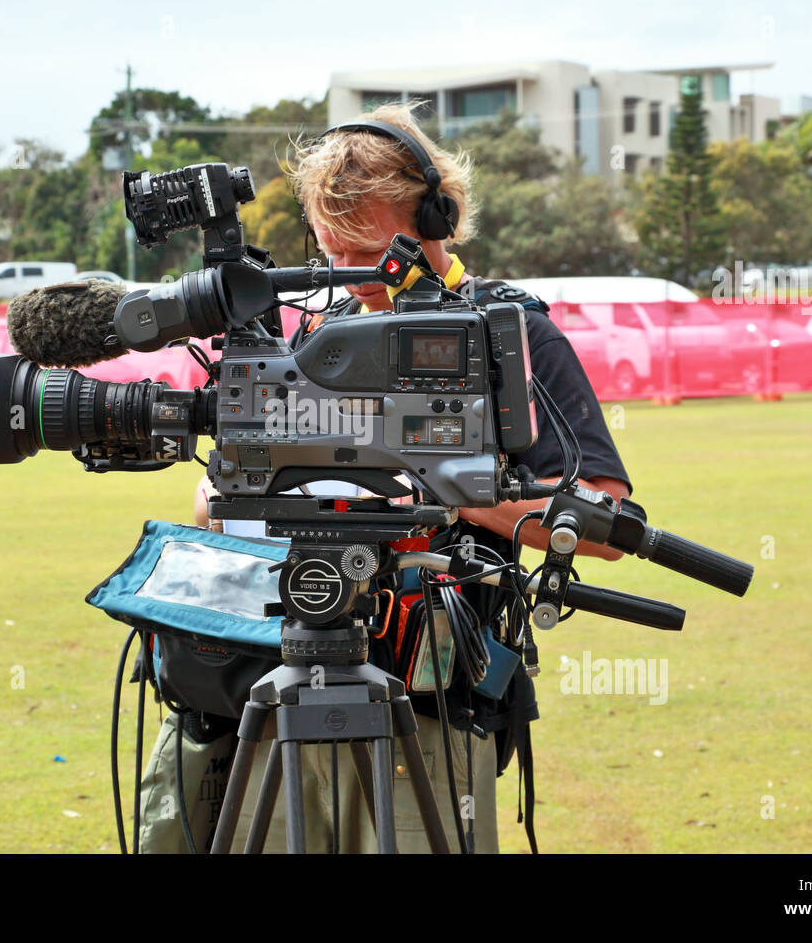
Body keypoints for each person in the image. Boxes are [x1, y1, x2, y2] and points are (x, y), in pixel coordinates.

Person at [134, 102, 631, 853]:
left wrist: (442, 492)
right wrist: (225, 498)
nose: (351, 272)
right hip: (283, 671)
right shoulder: (314, 330)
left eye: (369, 248)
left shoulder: (513, 330)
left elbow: (605, 520)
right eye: (333, 249)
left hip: (425, 703)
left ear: (438, 218)